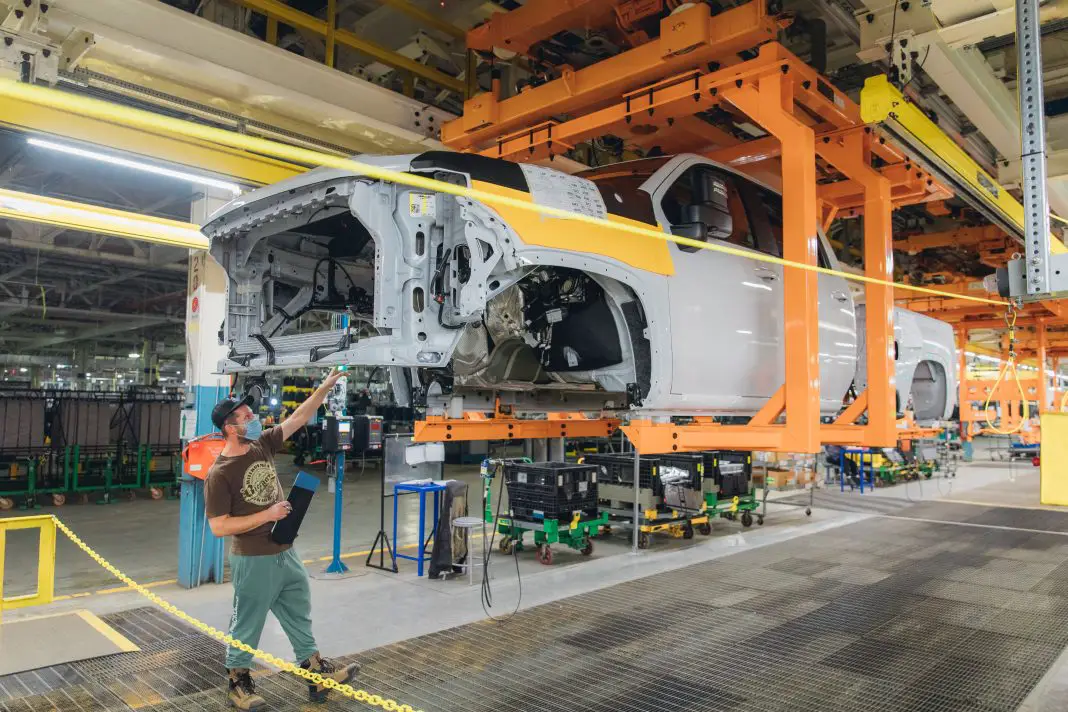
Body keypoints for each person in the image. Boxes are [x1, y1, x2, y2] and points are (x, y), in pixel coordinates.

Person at [205, 368, 356, 710]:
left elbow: (300, 417)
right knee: (247, 620)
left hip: (285, 549)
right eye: (246, 417)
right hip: (253, 556)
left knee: (298, 611)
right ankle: (238, 682)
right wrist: (266, 515)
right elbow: (219, 526)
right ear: (231, 428)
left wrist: (325, 386)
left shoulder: (262, 444)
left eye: (251, 414)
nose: (254, 419)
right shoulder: (220, 474)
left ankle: (315, 674)